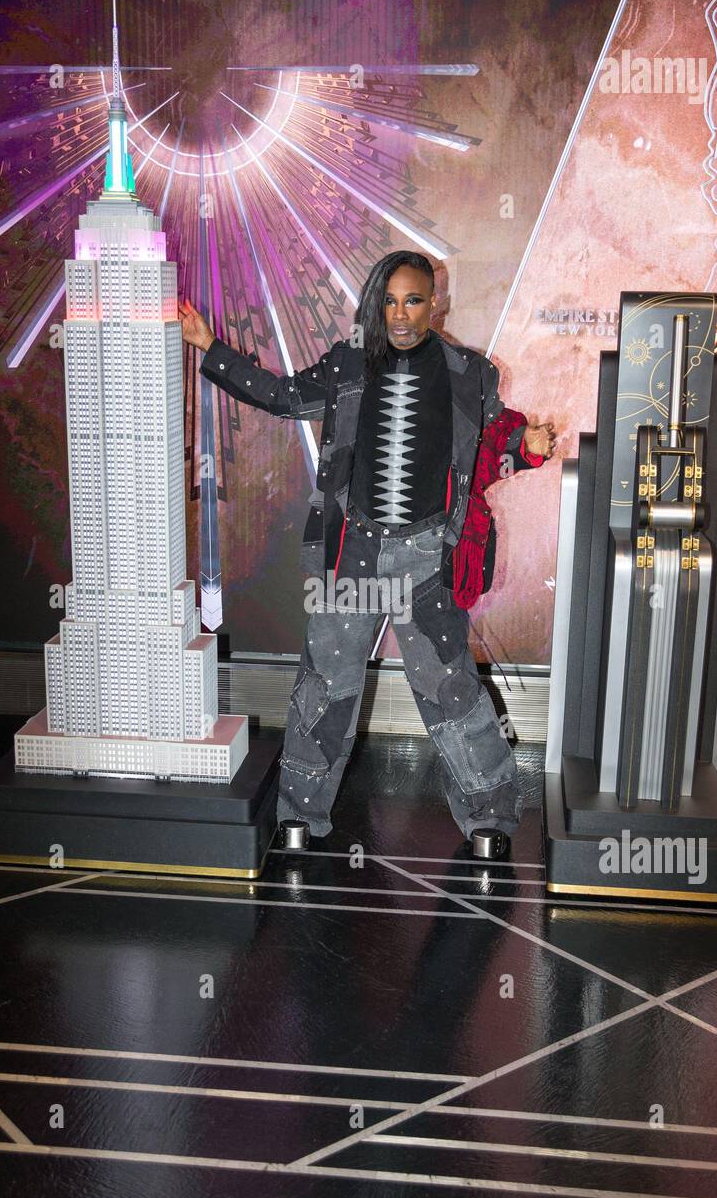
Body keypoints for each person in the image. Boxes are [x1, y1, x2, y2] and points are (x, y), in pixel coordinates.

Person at [179, 250, 556, 848]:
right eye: (390, 301)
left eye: (413, 301)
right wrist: (210, 347)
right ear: (376, 303)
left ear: (436, 303)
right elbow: (281, 395)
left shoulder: (470, 373)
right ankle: (301, 815)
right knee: (325, 685)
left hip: (430, 559)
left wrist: (528, 443)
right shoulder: (349, 364)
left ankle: (490, 817)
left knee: (452, 691)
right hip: (354, 554)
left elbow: (491, 450)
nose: (401, 315)